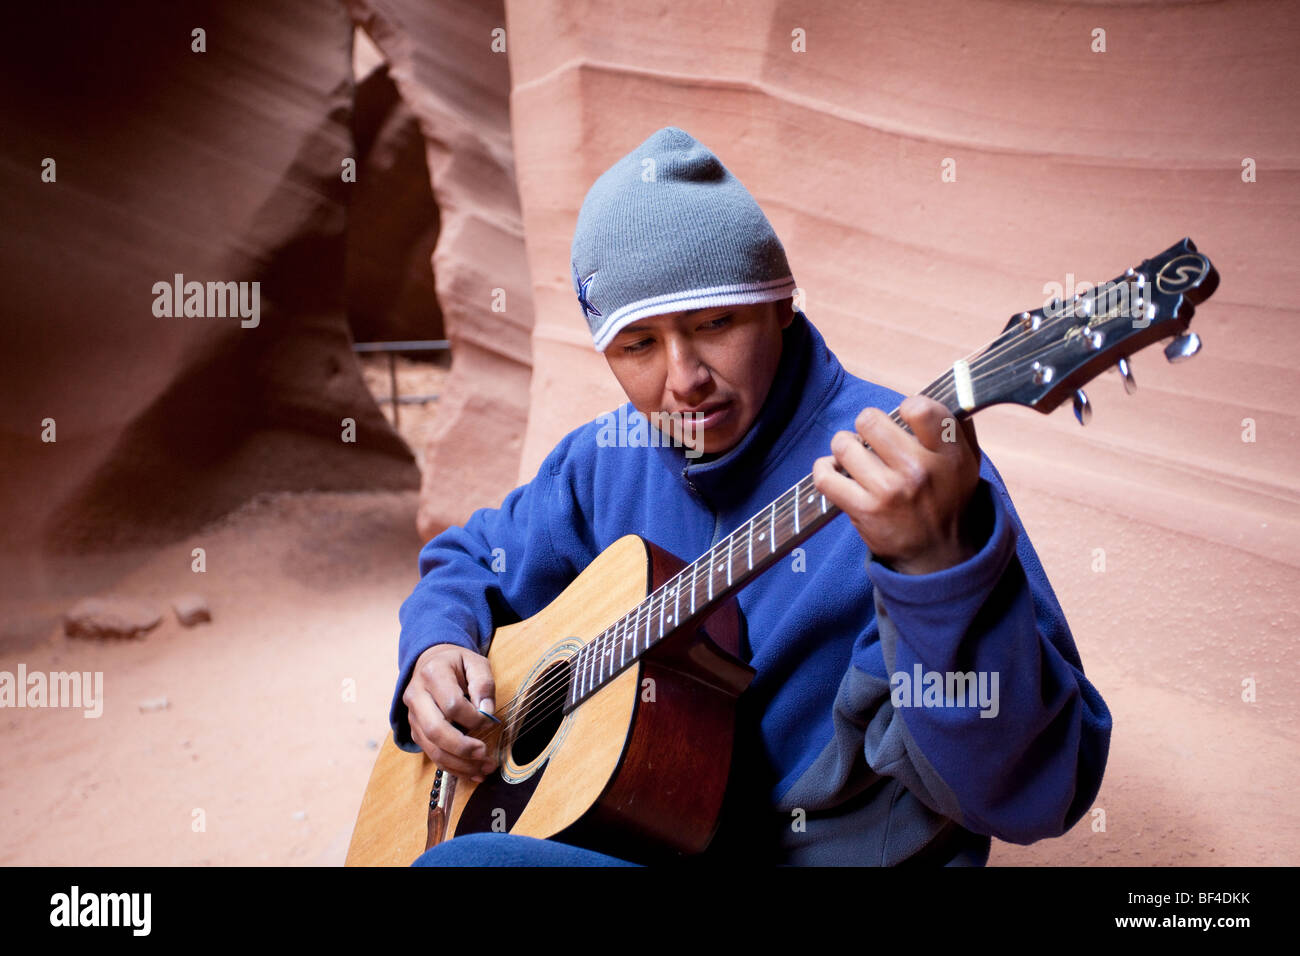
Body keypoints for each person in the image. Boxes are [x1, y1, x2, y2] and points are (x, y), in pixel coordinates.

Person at [391, 126, 1111, 866]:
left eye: (714, 323)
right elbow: (470, 555)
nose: (683, 379)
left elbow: (1036, 795)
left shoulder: (913, 478)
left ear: (781, 305)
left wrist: (937, 570)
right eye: (637, 346)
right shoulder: (602, 460)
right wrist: (437, 644)